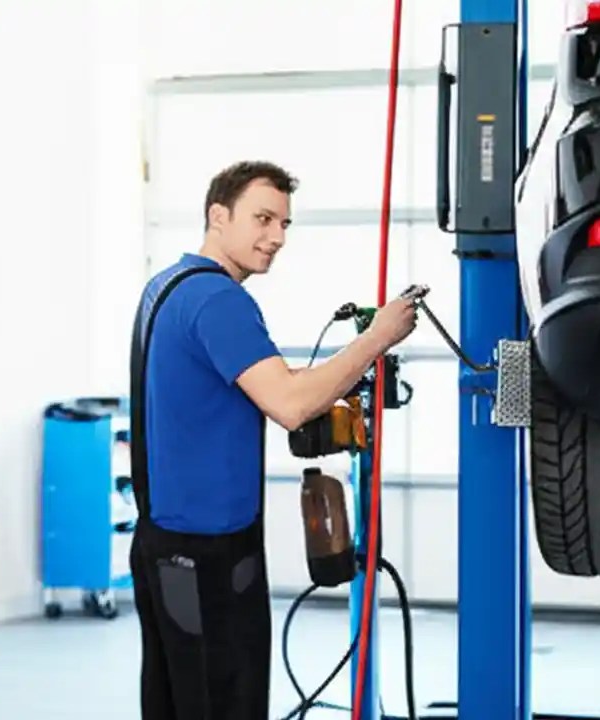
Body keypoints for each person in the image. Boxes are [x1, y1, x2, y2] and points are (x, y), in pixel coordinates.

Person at [127, 160, 418, 719]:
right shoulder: (219, 300)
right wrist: (378, 336)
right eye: (263, 219)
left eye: (284, 223)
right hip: (210, 557)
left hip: (161, 546)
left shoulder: (163, 287)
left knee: (174, 702)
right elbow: (289, 403)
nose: (277, 237)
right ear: (218, 215)